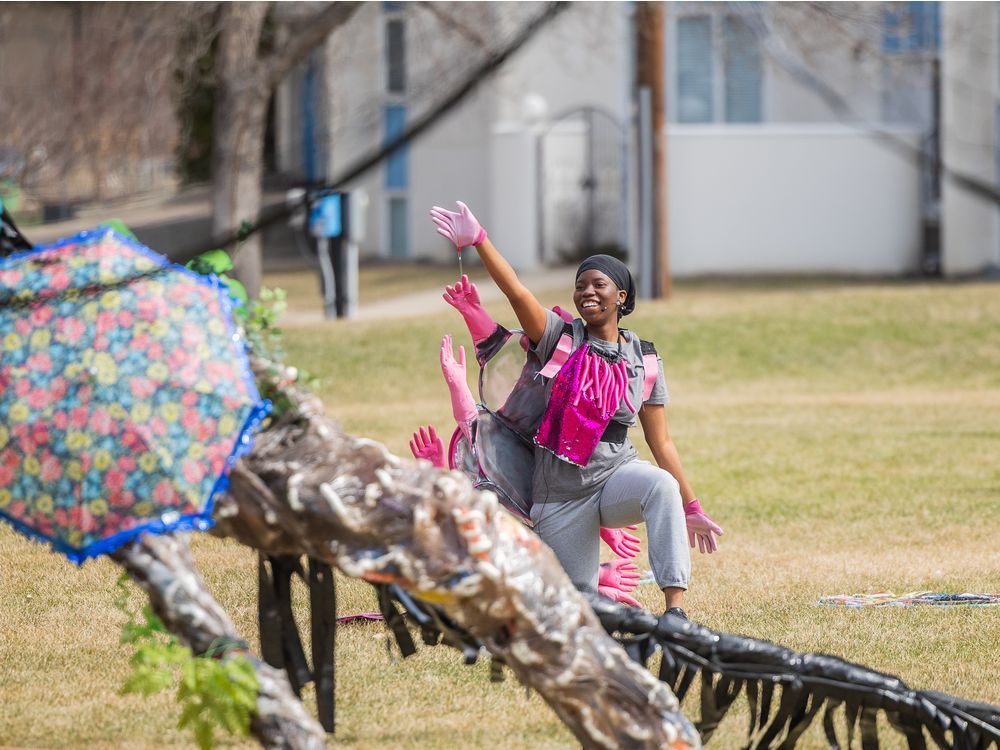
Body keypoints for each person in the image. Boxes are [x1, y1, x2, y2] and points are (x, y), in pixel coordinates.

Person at [429, 201, 722, 617]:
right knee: (576, 608)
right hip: (560, 496)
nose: (587, 292)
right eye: (580, 285)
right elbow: (517, 292)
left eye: (598, 284)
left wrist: (691, 507)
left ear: (620, 296)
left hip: (616, 475)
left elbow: (663, 442)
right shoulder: (560, 338)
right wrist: (480, 240)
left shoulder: (645, 359)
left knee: (662, 487)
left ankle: (675, 613)